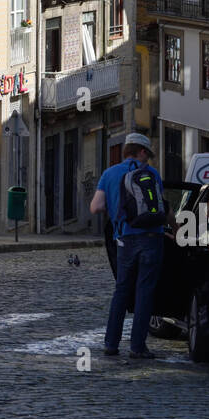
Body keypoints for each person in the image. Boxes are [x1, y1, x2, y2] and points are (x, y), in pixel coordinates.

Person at [90, 132, 165, 359]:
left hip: (124, 239)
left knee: (122, 291)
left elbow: (95, 207)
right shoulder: (151, 174)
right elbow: (161, 207)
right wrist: (176, 229)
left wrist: (117, 210)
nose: (149, 159)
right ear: (141, 152)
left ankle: (111, 344)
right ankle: (137, 347)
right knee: (144, 292)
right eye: (148, 154)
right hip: (152, 239)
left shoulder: (109, 173)